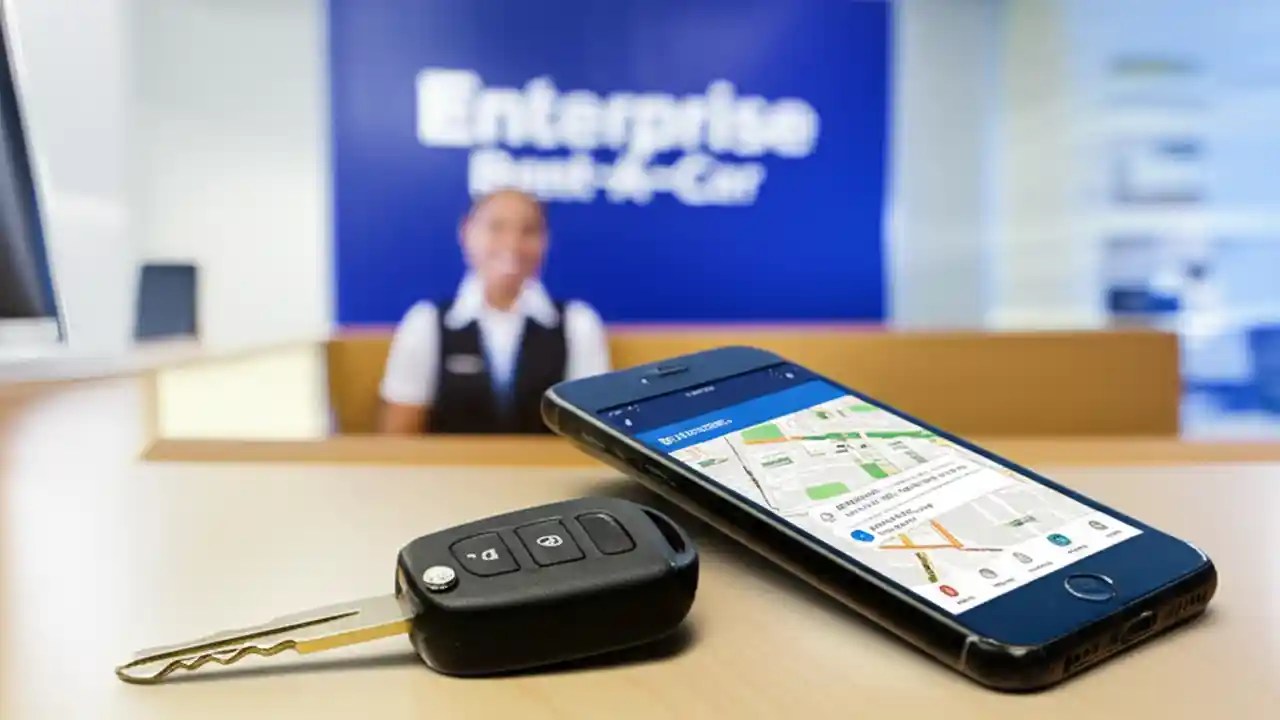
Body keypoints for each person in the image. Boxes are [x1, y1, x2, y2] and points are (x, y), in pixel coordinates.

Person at [378, 189, 610, 434]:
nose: (512, 243)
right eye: (496, 227)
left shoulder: (578, 323)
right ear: (466, 232)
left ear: (545, 240)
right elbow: (398, 437)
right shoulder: (425, 322)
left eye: (529, 231)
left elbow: (593, 435)